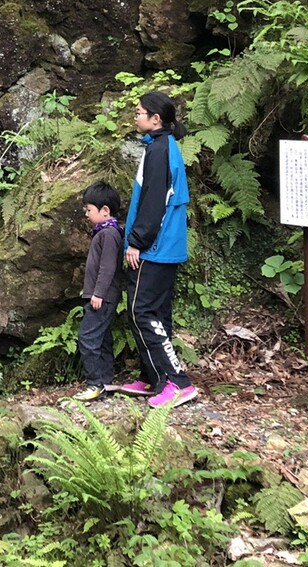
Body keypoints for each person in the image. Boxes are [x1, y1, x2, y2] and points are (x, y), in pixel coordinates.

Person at [115, 91, 198, 407]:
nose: (135, 117)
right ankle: (155, 378)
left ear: (156, 119)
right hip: (163, 247)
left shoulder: (160, 150)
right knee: (156, 313)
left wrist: (137, 242)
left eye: (139, 112)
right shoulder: (161, 147)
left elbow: (153, 202)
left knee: (142, 311)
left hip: (155, 248)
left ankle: (177, 382)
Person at [72, 181, 124, 403]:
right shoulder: (104, 233)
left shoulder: (109, 234)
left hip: (102, 297)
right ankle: (105, 381)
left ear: (105, 211)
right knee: (102, 339)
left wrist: (98, 293)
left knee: (87, 337)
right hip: (102, 296)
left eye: (88, 210)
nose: (86, 214)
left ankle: (95, 384)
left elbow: (108, 267)